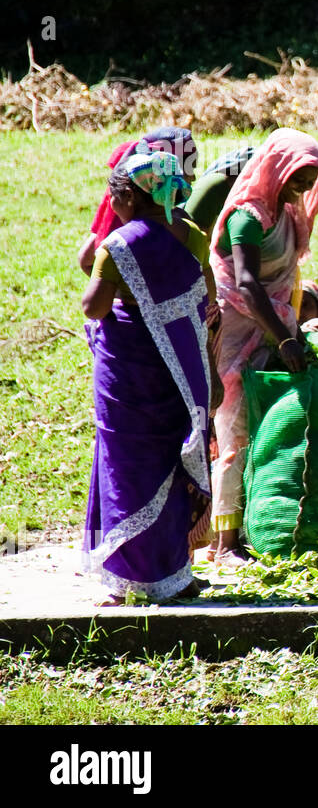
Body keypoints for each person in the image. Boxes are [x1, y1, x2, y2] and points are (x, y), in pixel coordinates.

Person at [79, 144, 216, 604]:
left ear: (130, 198)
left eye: (114, 197)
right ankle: (177, 574)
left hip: (130, 372)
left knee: (128, 465)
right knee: (173, 464)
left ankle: (127, 582)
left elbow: (95, 306)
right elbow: (206, 299)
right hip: (179, 371)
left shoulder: (119, 243)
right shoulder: (192, 235)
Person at [208, 128, 318, 565]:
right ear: (277, 168)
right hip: (239, 332)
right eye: (298, 177)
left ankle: (250, 526)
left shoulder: (284, 211)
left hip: (269, 328)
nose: (303, 187)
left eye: (308, 179)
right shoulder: (247, 217)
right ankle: (224, 542)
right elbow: (245, 283)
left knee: (263, 426)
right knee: (234, 429)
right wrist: (284, 337)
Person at [78, 127, 199, 275]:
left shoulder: (131, 206)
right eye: (190, 168)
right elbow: (86, 259)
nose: (193, 177)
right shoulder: (180, 227)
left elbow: (85, 260)